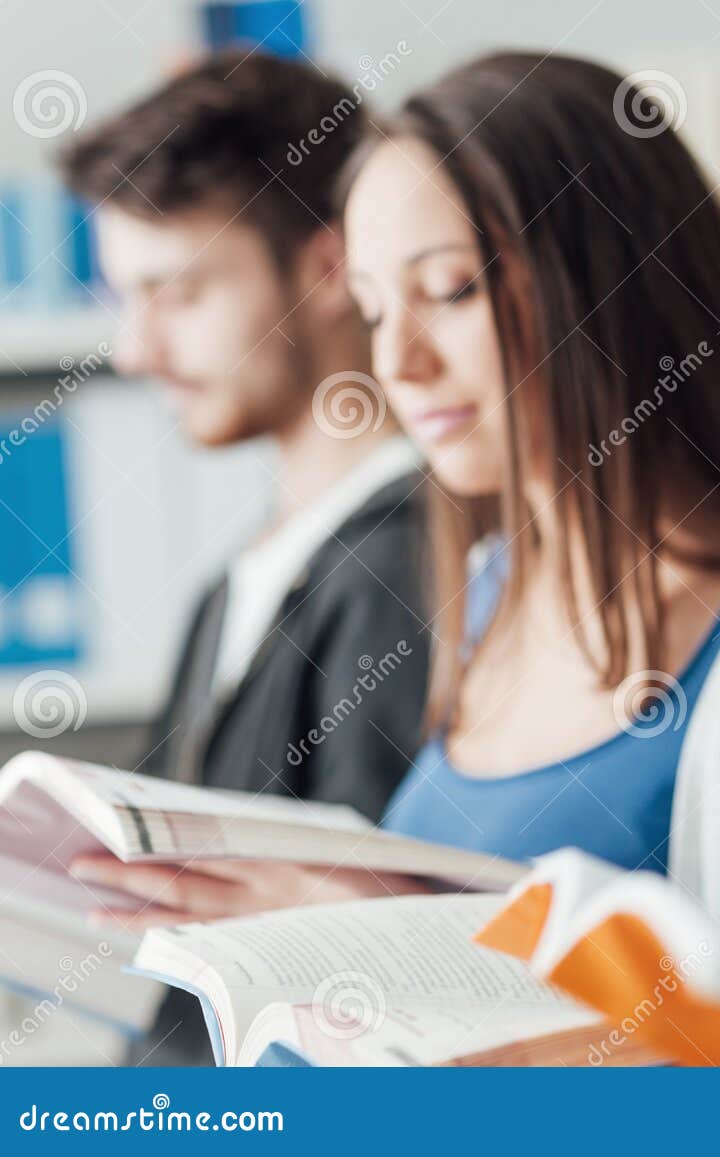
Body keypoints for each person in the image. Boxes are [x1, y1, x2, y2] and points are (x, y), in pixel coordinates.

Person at [74, 53, 720, 934]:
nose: (398, 365)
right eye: (378, 310)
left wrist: (377, 936)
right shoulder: (486, 597)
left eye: (450, 290)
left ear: (606, 281)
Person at [58, 52, 432, 1065]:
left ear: (323, 270)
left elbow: (397, 978)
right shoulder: (238, 582)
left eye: (174, 293)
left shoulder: (409, 569)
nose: (134, 351)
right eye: (122, 300)